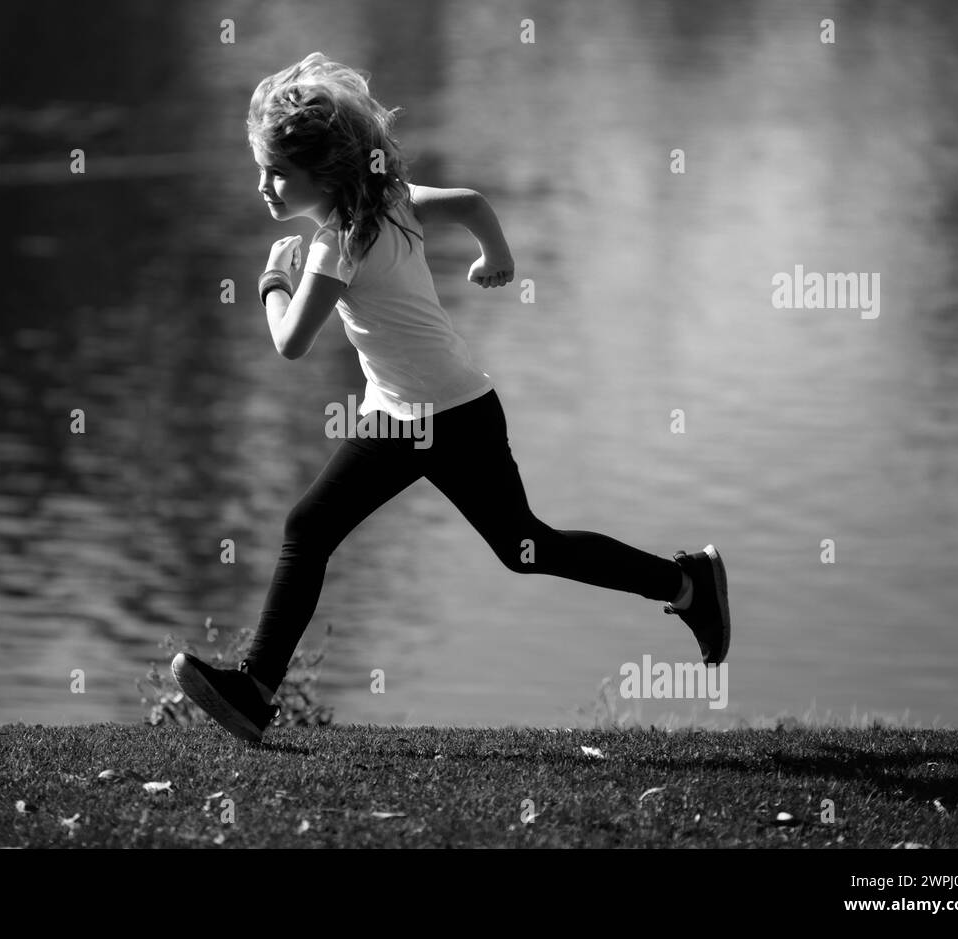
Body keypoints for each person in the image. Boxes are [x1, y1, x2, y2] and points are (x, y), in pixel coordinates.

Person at [172, 52, 729, 744]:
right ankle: (254, 688)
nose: (263, 186)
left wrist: (269, 279)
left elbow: (290, 342)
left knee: (510, 545)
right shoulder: (387, 199)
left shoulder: (335, 244)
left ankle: (685, 583)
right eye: (261, 170)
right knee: (331, 529)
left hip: (442, 416)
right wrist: (497, 254)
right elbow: (469, 203)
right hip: (418, 409)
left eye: (276, 173)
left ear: (325, 174)